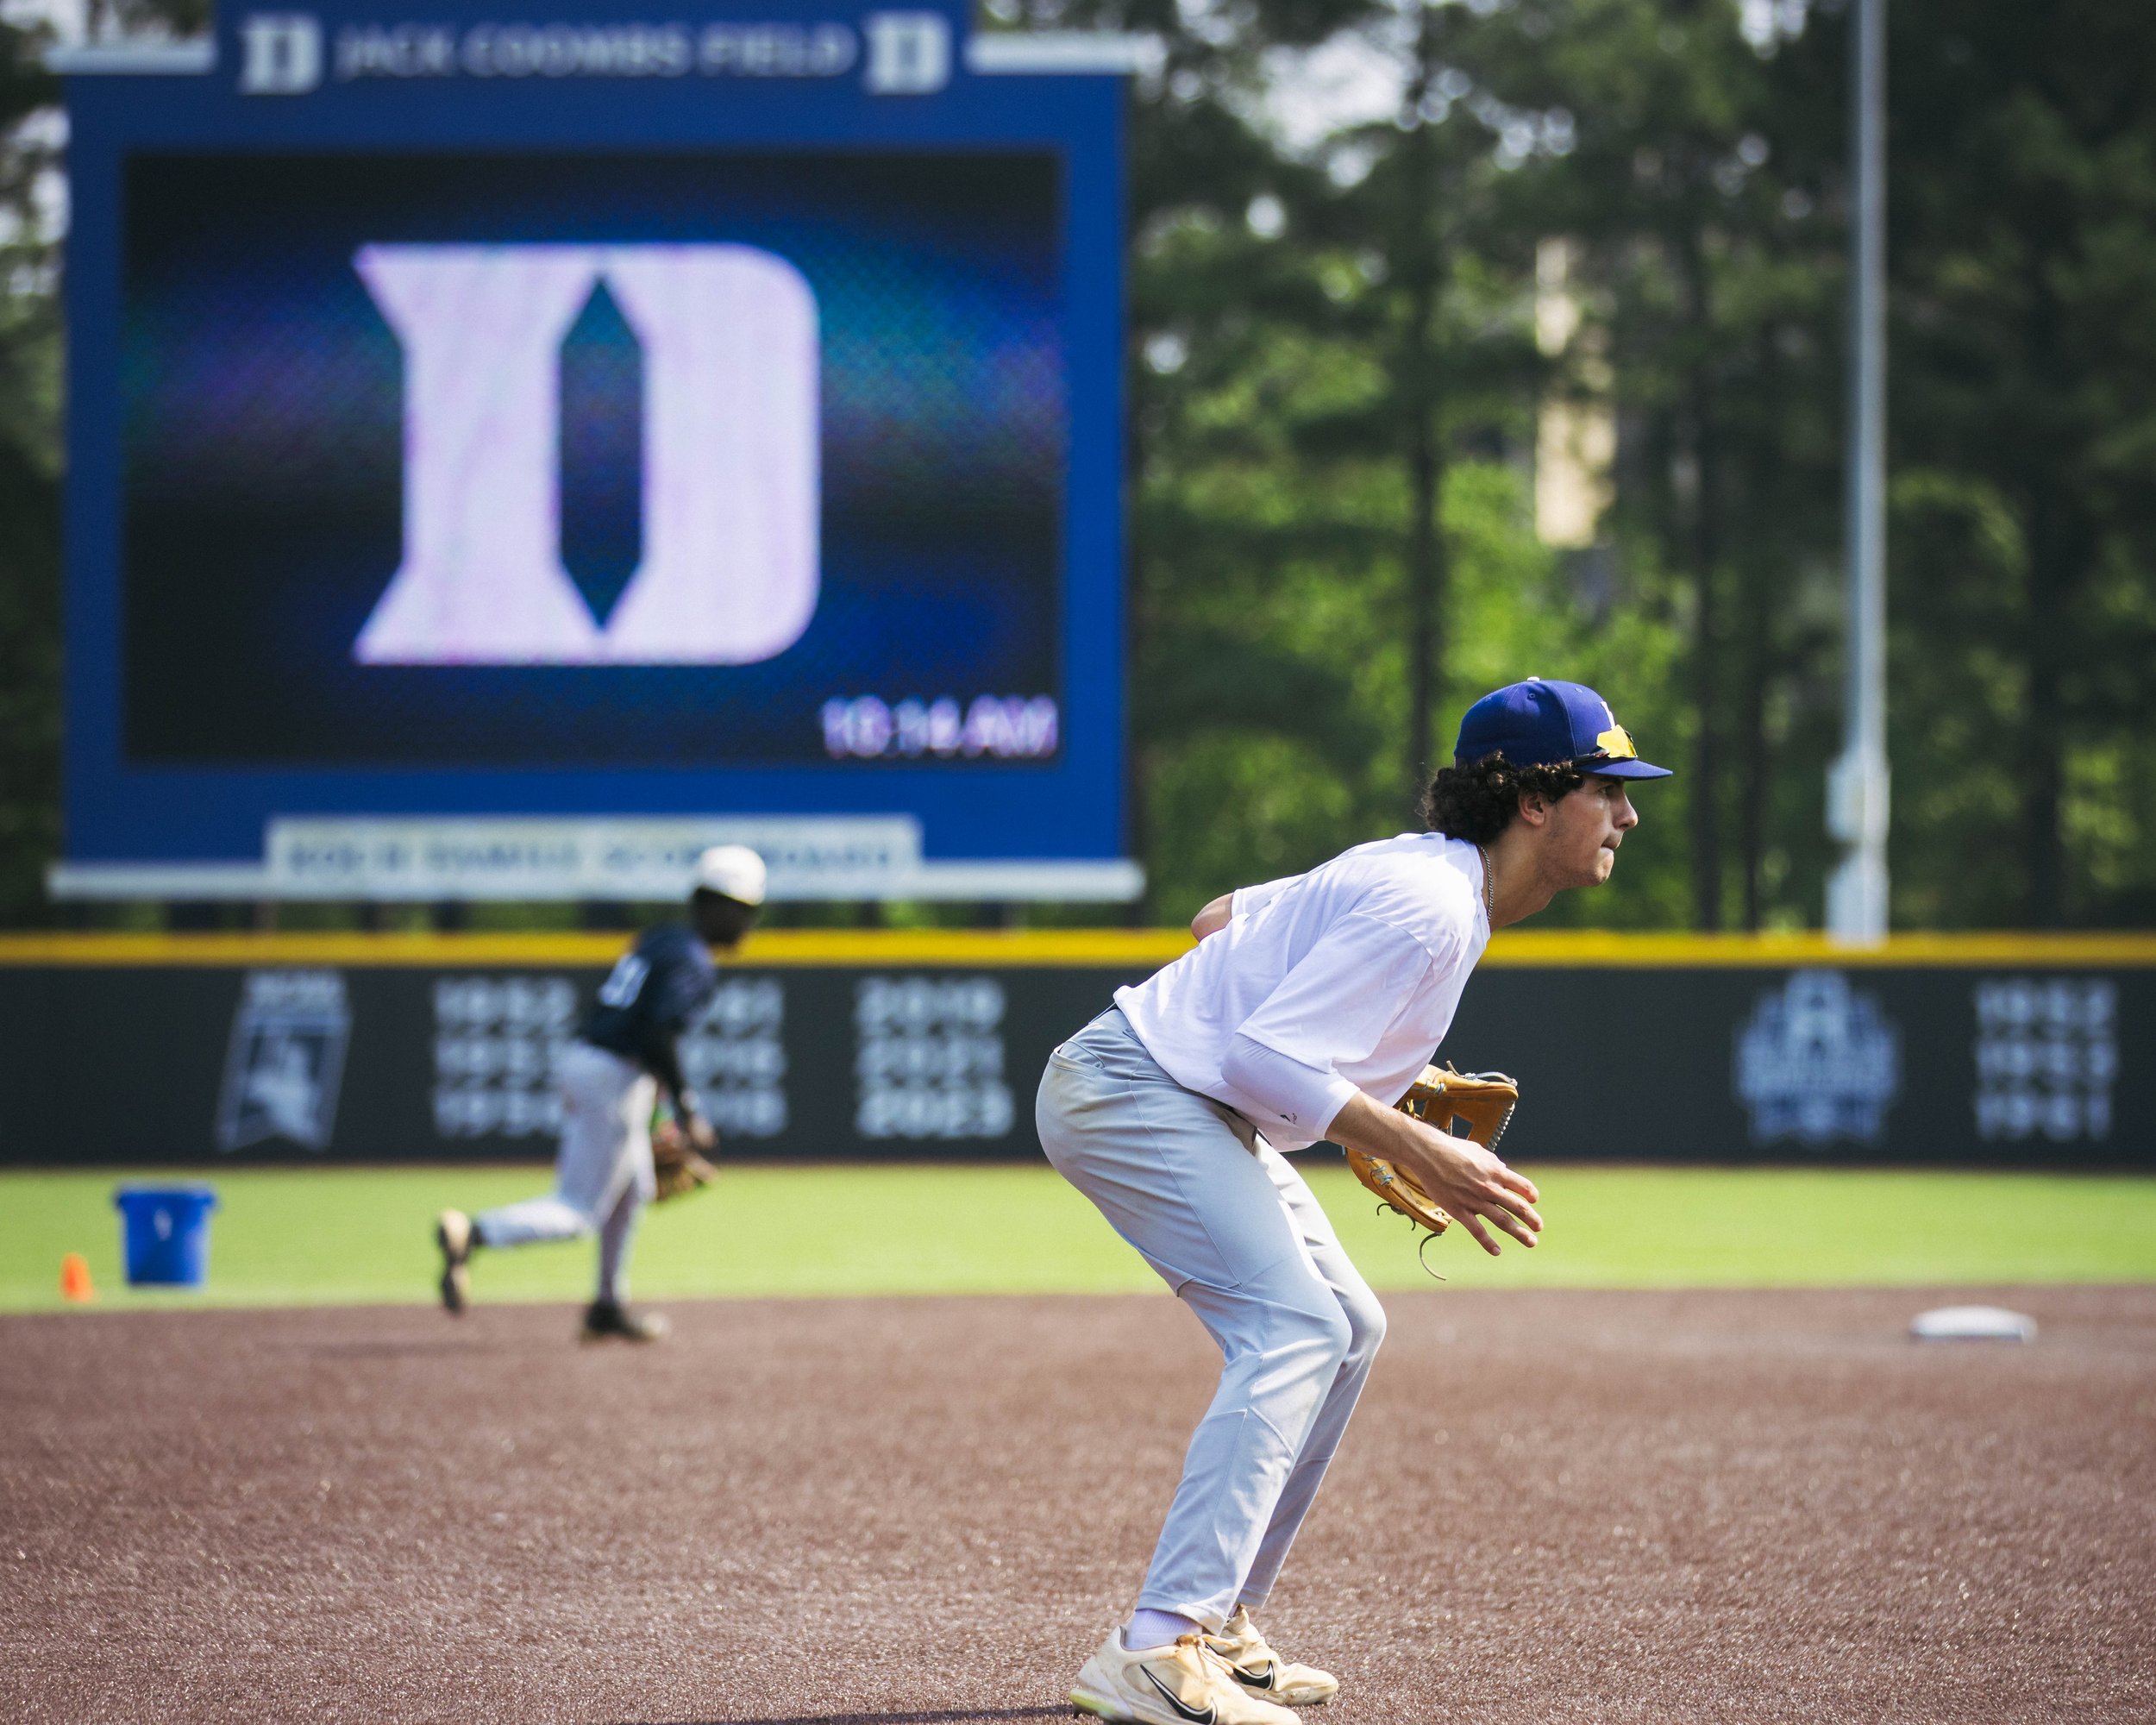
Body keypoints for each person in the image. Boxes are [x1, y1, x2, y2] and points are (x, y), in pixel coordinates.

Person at [1039, 679, 1670, 1725]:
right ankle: (1157, 1645)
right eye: (1606, 787)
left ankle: (1224, 1625)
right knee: (1289, 1324)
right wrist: (1419, 1140)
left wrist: (1385, 1079)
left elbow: (1218, 921)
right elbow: (1258, 1047)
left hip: (1185, 1095)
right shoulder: (1428, 904)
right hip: (1134, 1086)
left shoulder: (1419, 872)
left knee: (1349, 1327)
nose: (1627, 813)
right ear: (1532, 800)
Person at [433, 844, 767, 1341]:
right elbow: (658, 1033)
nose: (748, 925)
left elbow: (638, 1023)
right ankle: (476, 1233)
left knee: (633, 1191)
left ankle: (608, 1305)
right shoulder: (693, 959)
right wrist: (687, 1108)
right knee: (579, 1212)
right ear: (723, 906)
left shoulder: (662, 940)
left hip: (599, 1063)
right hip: (613, 1074)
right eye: (746, 911)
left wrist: (653, 1107)